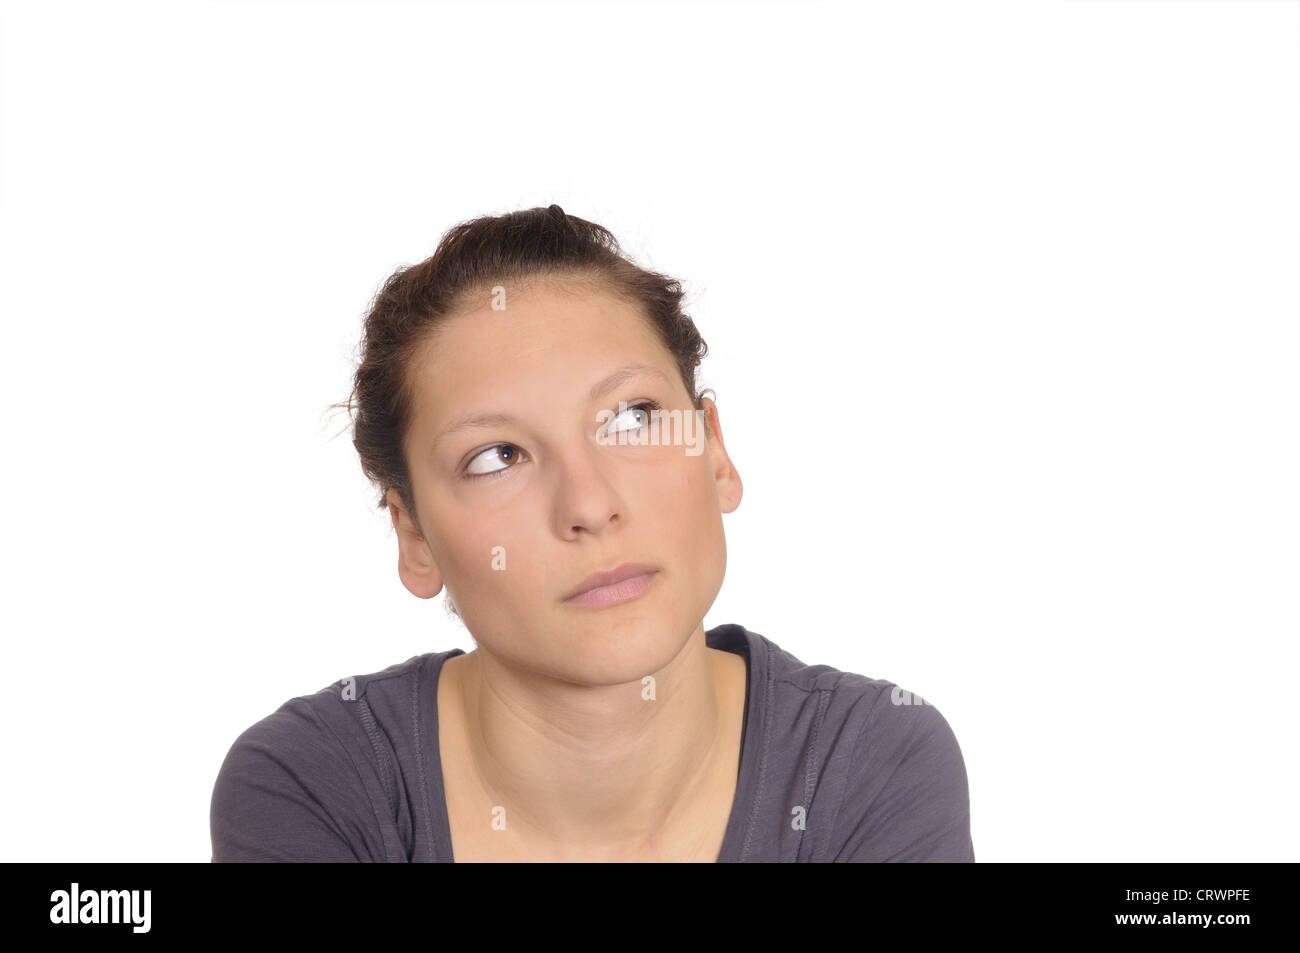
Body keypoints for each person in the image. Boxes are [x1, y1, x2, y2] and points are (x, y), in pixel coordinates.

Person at [209, 204, 975, 862]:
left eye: (633, 417)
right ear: (413, 537)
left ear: (714, 451)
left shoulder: (873, 763)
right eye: (496, 456)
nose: (590, 504)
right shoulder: (315, 784)